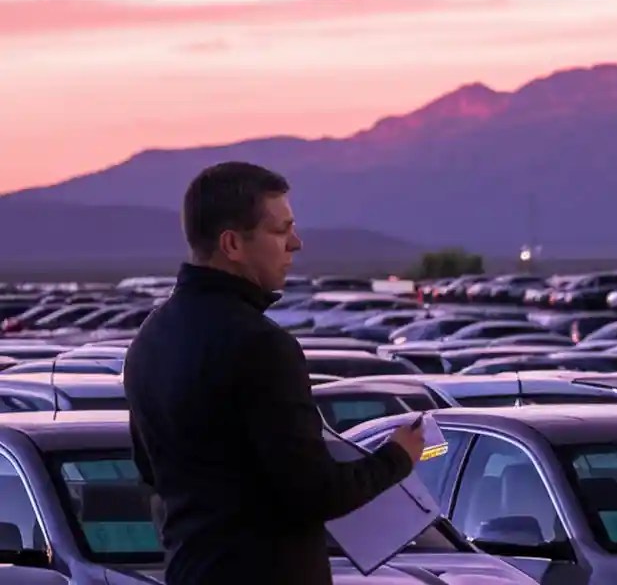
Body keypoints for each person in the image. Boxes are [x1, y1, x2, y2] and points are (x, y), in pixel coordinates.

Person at [125, 162, 427, 584]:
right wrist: (398, 458)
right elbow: (315, 491)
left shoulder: (149, 340)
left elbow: (150, 470)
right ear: (232, 243)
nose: (296, 244)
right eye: (281, 231)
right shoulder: (261, 345)